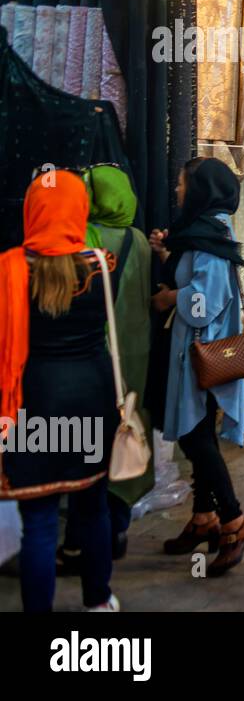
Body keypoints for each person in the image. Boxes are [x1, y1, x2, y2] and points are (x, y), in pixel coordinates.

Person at [0, 172, 120, 611]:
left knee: (40, 522)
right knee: (92, 509)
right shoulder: (102, 264)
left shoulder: (9, 269)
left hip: (34, 406)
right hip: (90, 398)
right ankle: (98, 601)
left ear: (32, 209)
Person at [149, 157, 244, 575]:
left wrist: (169, 299)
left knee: (196, 439)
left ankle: (234, 521)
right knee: (200, 433)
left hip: (198, 354)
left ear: (199, 190)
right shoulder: (208, 229)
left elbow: (205, 301)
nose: (177, 190)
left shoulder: (207, 232)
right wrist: (169, 252)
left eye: (181, 183)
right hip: (198, 351)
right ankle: (203, 518)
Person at [58, 166, 153, 573]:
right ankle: (116, 529)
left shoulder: (84, 240)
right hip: (137, 355)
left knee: (89, 452)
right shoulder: (141, 241)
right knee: (125, 433)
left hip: (98, 356)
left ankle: (81, 544)